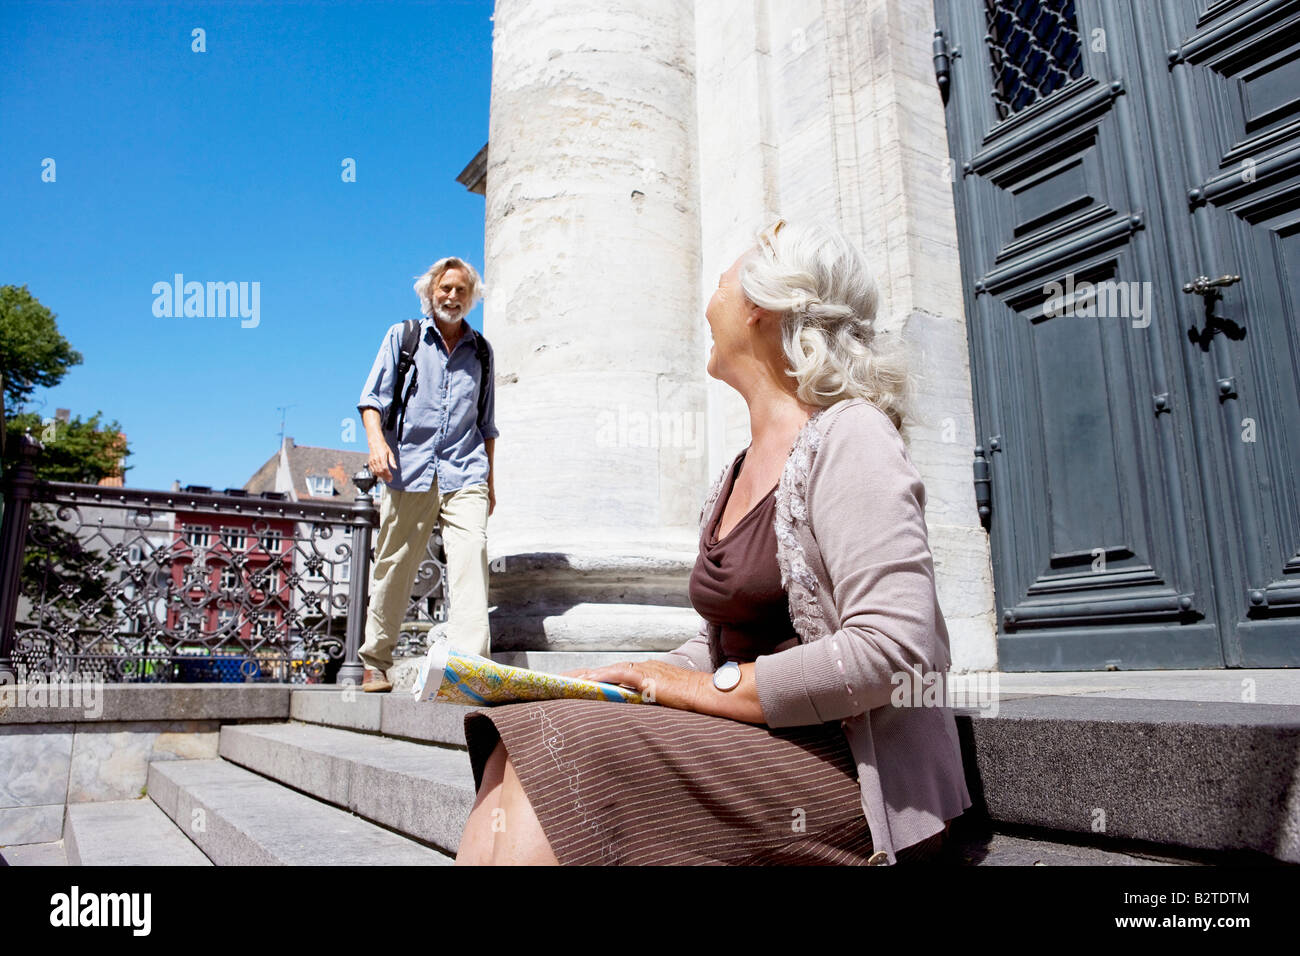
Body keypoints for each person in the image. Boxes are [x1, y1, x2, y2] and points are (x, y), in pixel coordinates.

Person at [454, 219, 971, 864]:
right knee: (524, 730)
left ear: (760, 305)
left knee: (565, 746)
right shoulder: (734, 472)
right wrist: (624, 678)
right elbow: (720, 642)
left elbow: (893, 650)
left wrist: (695, 689)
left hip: (848, 771)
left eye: (722, 283)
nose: (708, 302)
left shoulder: (853, 436)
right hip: (760, 740)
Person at [355, 257, 498, 693]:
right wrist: (377, 445)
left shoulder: (483, 352)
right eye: (445, 288)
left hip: (465, 468)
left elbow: (487, 424)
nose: (451, 296)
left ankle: (470, 667)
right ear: (430, 292)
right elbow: (371, 400)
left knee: (472, 553)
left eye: (460, 290)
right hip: (408, 469)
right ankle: (374, 660)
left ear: (470, 297)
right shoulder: (404, 338)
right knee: (395, 564)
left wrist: (491, 483)